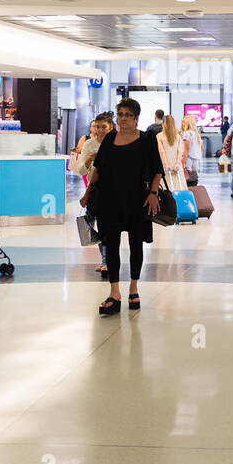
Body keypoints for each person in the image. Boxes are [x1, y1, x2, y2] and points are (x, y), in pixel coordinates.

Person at [79, 98, 163, 315]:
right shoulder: (109, 139)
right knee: (111, 244)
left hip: (137, 199)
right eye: (121, 114)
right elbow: (97, 168)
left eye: (128, 115)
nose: (123, 118)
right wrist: (88, 193)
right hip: (109, 199)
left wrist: (154, 193)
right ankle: (114, 292)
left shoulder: (146, 139)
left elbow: (157, 170)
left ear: (136, 118)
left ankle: (134, 288)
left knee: (136, 244)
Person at [73, 113, 113, 277]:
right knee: (101, 228)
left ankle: (109, 259)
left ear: (110, 127)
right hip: (95, 190)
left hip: (114, 190)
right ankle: (105, 260)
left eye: (104, 127)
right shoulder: (89, 144)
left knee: (111, 227)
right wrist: (90, 158)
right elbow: (82, 170)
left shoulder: (116, 142)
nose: (100, 130)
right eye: (98, 126)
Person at [157, 114, 188, 193]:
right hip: (177, 165)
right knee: (179, 186)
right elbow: (180, 151)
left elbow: (162, 152)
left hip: (165, 165)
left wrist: (166, 164)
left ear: (163, 124)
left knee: (166, 187)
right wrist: (177, 163)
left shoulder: (159, 136)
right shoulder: (178, 136)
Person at [179, 114, 203, 184]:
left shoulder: (186, 134)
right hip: (196, 160)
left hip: (188, 160)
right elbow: (201, 148)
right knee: (194, 180)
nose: (182, 124)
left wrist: (182, 163)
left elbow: (186, 150)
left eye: (183, 122)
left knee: (186, 181)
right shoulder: (196, 134)